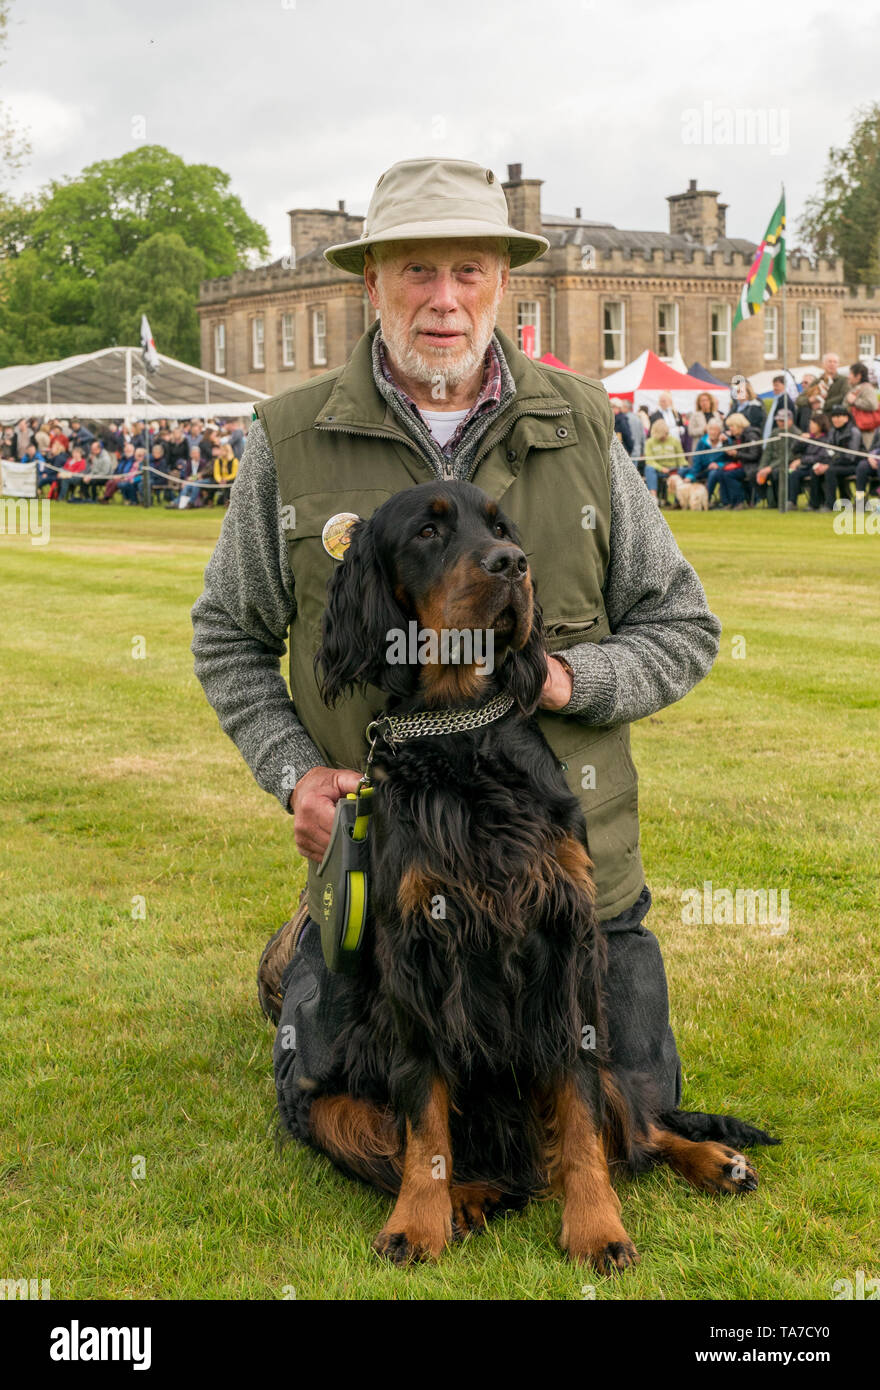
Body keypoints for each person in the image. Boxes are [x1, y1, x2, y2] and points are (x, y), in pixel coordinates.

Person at [191, 156, 723, 1138]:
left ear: (502, 284)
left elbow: (684, 627)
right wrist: (297, 773)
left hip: (574, 888)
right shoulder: (290, 437)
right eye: (416, 272)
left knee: (633, 1113)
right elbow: (227, 636)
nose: (444, 300)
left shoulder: (583, 425)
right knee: (330, 1105)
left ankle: (310, 954)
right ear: (371, 285)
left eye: (468, 270)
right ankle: (310, 943)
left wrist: (569, 678)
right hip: (390, 874)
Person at [812, 404, 861, 511]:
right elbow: (828, 451)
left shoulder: (854, 432)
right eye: (834, 416)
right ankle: (814, 504)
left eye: (839, 416)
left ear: (846, 417)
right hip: (837, 463)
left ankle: (830, 505)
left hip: (854, 465)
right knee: (815, 469)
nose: (836, 419)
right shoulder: (833, 431)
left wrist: (829, 465)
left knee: (830, 471)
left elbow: (850, 457)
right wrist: (823, 464)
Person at [754, 409, 801, 507]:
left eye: (783, 421)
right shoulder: (775, 432)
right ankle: (768, 499)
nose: (780, 423)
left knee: (776, 473)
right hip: (773, 464)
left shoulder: (796, 433)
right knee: (753, 473)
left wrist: (769, 468)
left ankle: (781, 501)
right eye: (779, 420)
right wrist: (762, 468)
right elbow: (767, 452)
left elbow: (789, 455)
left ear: (790, 421)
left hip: (789, 464)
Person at [788, 413, 834, 510]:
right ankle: (792, 501)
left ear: (821, 425)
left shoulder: (827, 438)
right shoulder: (810, 438)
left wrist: (801, 461)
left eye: (813, 424)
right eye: (810, 424)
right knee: (793, 474)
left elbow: (821, 456)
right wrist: (800, 441)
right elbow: (794, 450)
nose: (811, 427)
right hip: (806, 466)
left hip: (818, 465)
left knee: (814, 472)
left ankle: (814, 503)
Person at [718, 412, 763, 508]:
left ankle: (739, 501)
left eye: (731, 426)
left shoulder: (751, 436)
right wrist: (725, 443)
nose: (730, 429)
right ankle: (727, 502)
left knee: (729, 475)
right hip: (743, 465)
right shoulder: (738, 437)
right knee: (720, 473)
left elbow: (754, 456)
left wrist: (737, 453)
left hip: (752, 466)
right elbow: (735, 455)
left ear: (738, 425)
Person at [643, 418, 684, 503]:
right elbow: (649, 461)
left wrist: (681, 467)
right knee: (648, 469)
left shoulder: (675, 441)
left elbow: (681, 458)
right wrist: (661, 468)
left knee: (683, 470)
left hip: (673, 470)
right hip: (658, 470)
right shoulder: (649, 442)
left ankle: (679, 499)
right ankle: (653, 497)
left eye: (664, 435)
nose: (662, 438)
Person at [846, 361, 880, 448]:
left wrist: (855, 401)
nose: (848, 376)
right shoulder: (855, 388)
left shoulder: (867, 388)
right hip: (856, 428)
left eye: (850, 374)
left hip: (865, 431)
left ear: (858, 376)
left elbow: (873, 405)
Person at [212, 441, 238, 505]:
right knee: (211, 482)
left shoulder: (234, 460)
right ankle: (209, 501)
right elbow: (216, 473)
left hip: (230, 479)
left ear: (228, 451)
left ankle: (227, 501)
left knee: (229, 484)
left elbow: (234, 474)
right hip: (221, 480)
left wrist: (226, 479)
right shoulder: (218, 461)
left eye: (223, 450)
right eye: (221, 450)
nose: (221, 452)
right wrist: (220, 480)